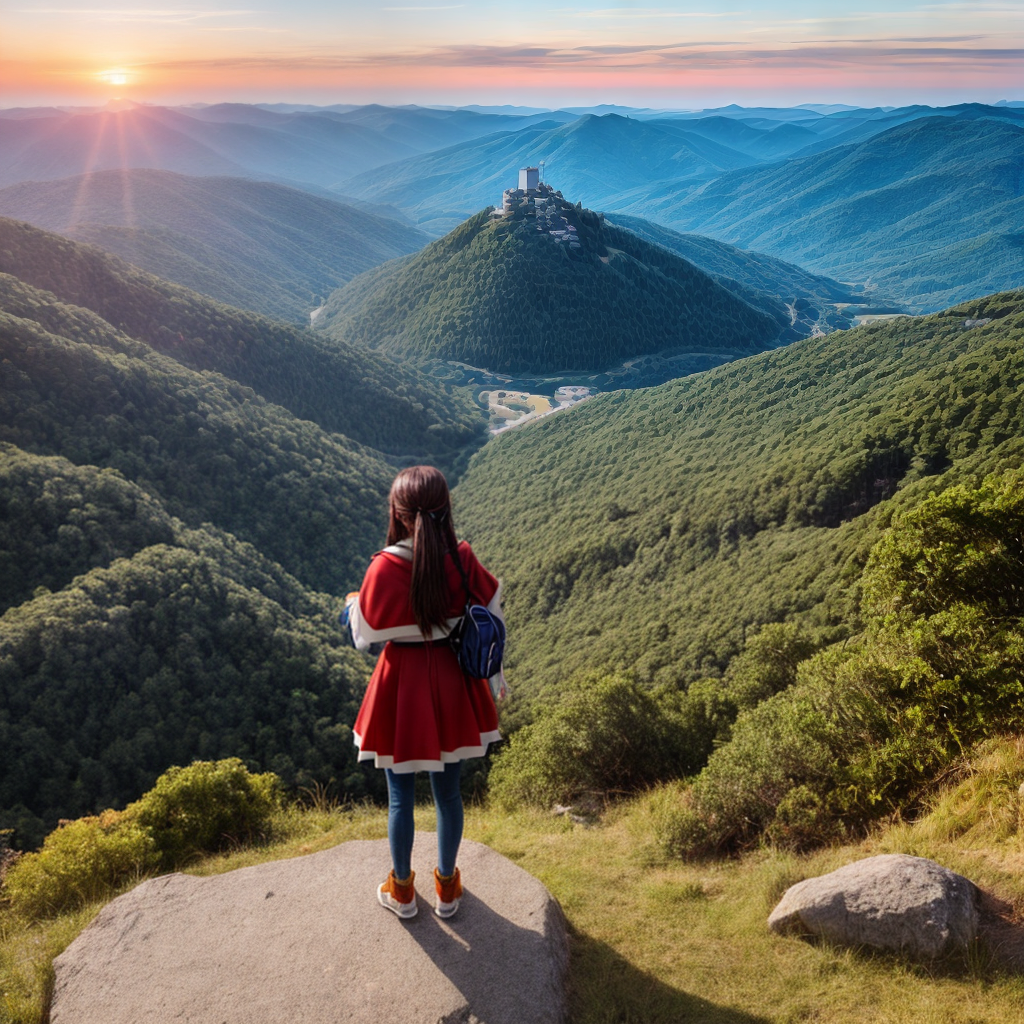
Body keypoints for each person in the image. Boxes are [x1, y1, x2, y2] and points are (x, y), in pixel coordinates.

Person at [345, 465, 506, 920]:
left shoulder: (385, 565)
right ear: (445, 508)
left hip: (401, 684)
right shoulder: (461, 557)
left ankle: (402, 892)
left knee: (400, 797)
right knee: (448, 795)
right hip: (453, 682)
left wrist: (352, 605)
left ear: (397, 512)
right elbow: (492, 608)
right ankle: (447, 889)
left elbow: (364, 635)